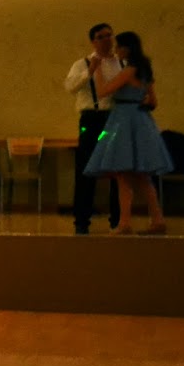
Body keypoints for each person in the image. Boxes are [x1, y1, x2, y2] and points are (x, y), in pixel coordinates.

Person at [83, 30, 172, 234]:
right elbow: (154, 102)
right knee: (143, 177)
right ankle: (157, 220)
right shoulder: (145, 71)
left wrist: (96, 71)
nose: (115, 50)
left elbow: (103, 91)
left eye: (118, 46)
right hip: (142, 121)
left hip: (123, 120)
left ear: (127, 48)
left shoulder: (128, 71)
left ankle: (124, 223)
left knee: (123, 176)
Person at [64, 23, 123, 233]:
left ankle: (117, 219)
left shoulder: (121, 63)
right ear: (93, 41)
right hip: (91, 119)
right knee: (86, 170)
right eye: (101, 36)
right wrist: (88, 72)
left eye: (109, 35)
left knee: (118, 171)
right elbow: (69, 87)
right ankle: (82, 221)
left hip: (114, 119)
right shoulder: (82, 63)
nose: (107, 39)